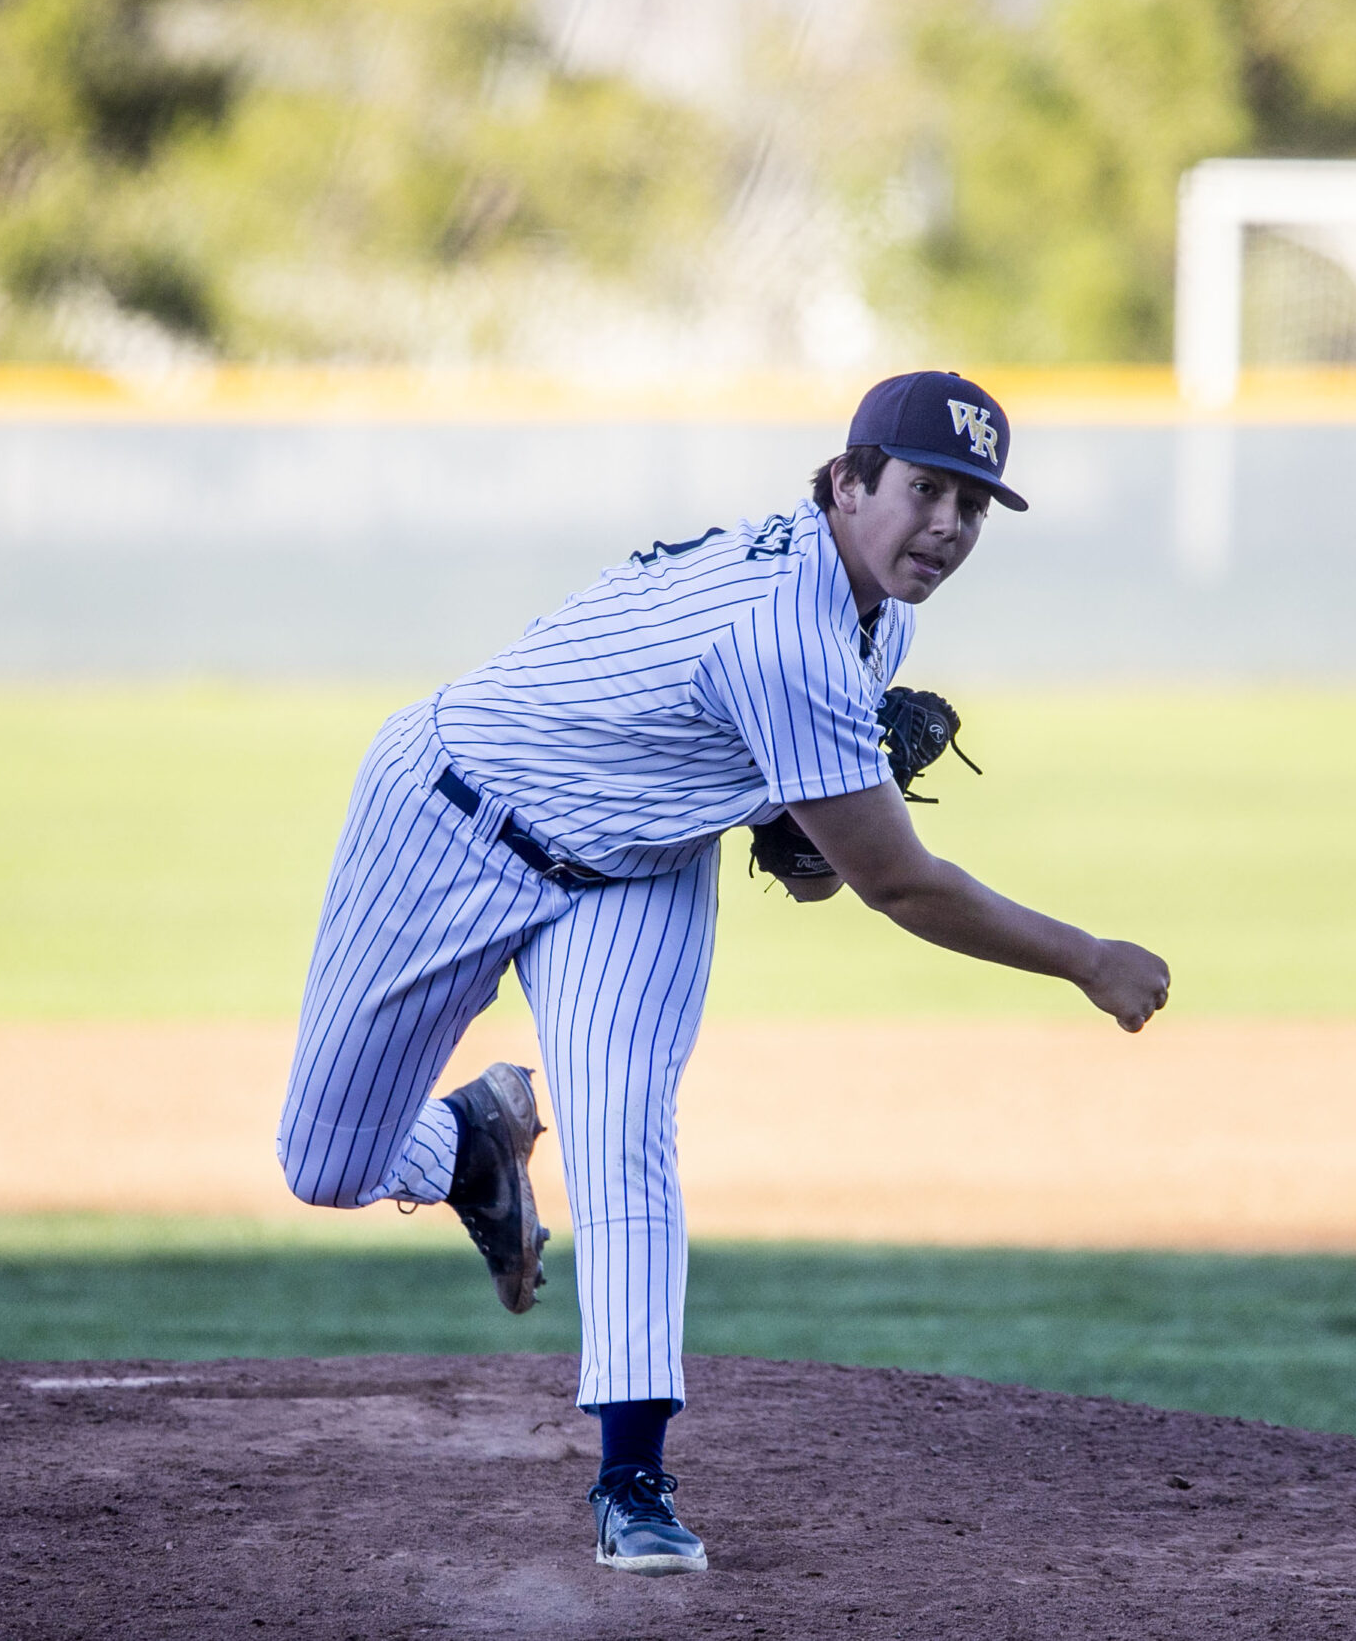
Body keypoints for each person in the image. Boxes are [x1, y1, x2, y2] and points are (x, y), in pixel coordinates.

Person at [275, 370, 1170, 1578]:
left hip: (637, 868)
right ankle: (471, 1141)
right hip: (448, 820)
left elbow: (806, 866)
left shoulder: (875, 615)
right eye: (925, 491)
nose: (948, 528)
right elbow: (894, 885)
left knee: (624, 1134)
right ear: (848, 482)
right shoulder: (784, 634)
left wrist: (791, 831)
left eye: (972, 504)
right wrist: (1085, 959)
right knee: (325, 1166)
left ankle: (631, 1481)